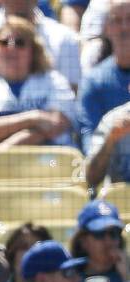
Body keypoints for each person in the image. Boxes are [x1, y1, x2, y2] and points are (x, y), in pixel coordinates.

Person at [0, 15, 77, 200]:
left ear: (33, 51)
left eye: (20, 42)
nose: (11, 48)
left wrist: (2, 149)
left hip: (46, 170)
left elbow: (55, 125)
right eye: (4, 42)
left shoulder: (54, 81)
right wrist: (32, 118)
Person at [82, 0, 130, 188]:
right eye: (117, 20)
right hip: (119, 207)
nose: (125, 27)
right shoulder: (113, 121)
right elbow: (90, 177)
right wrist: (110, 139)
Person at [69, 201, 129, 282]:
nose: (108, 241)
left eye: (113, 233)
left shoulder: (127, 275)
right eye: (99, 234)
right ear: (83, 241)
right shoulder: (71, 279)